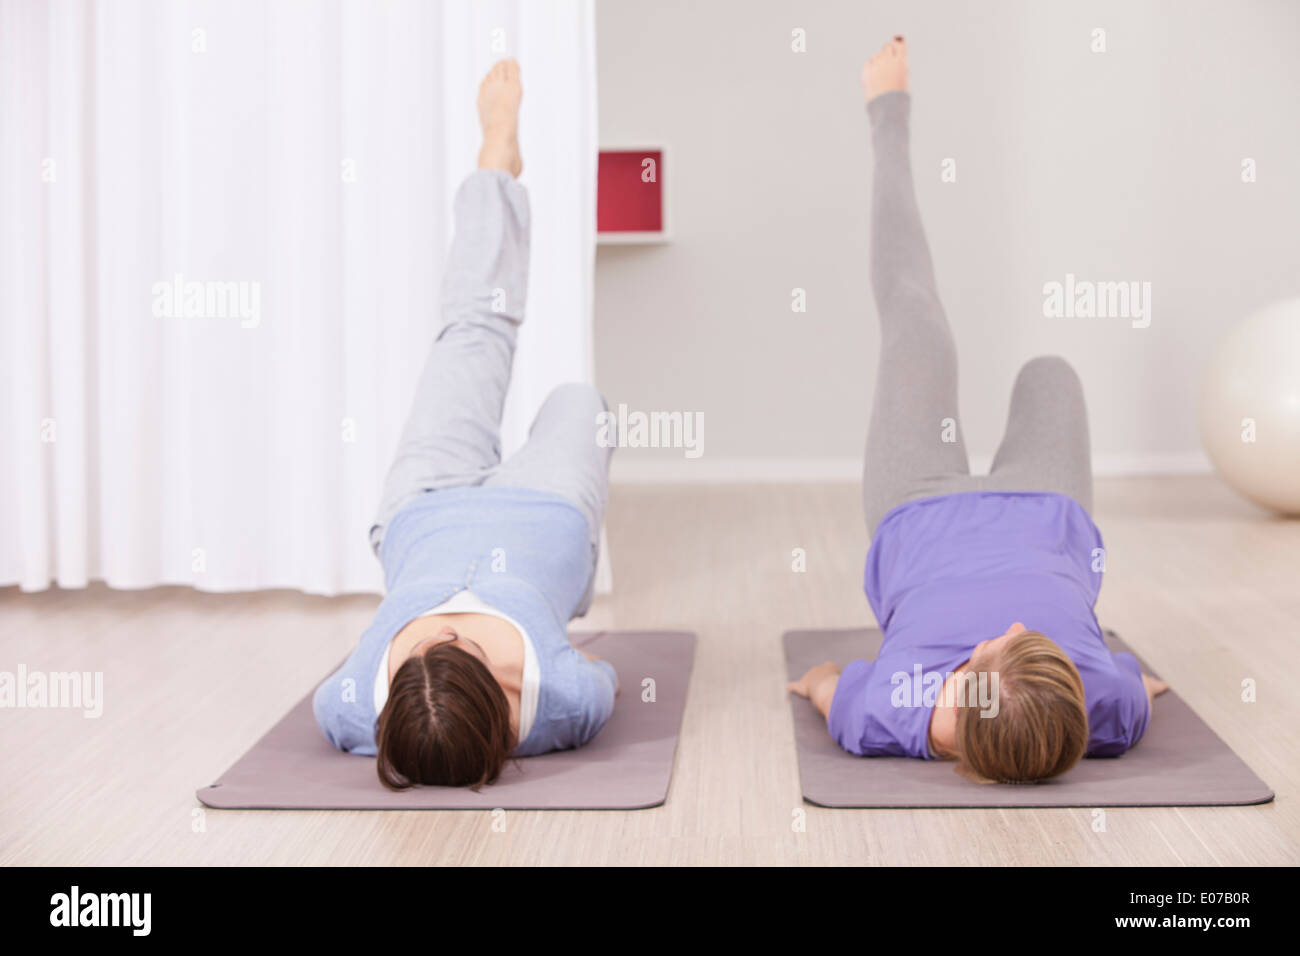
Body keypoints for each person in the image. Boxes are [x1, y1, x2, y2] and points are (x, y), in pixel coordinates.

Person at [787, 37, 1170, 784]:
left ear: (959, 697)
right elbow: (1140, 688)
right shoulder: (1105, 708)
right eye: (1037, 645)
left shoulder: (889, 713)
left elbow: (826, 684)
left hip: (917, 504)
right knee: (1051, 372)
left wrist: (813, 687)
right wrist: (1138, 696)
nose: (1022, 625)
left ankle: (886, 113)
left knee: (914, 316)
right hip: (1044, 506)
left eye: (999, 646)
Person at [313, 59, 619, 790]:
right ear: (512, 720)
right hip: (545, 510)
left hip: (427, 502)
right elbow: (604, 676)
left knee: (473, 331)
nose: (445, 629)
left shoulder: (355, 705)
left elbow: (334, 710)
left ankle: (495, 168)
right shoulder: (564, 702)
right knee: (582, 402)